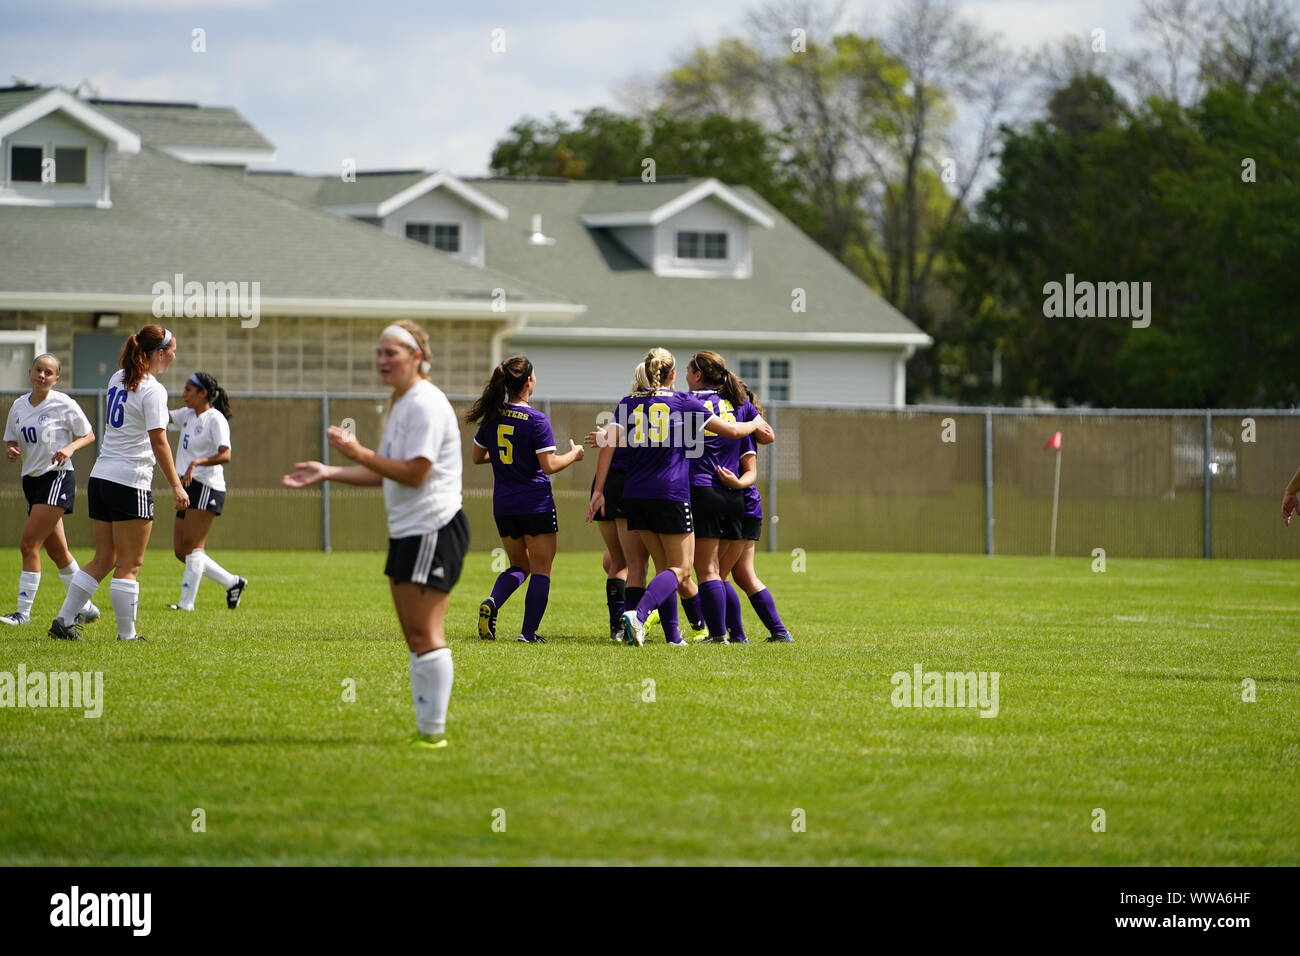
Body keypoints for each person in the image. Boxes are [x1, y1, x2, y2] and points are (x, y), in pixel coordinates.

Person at [282, 321, 467, 750]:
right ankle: (425, 729)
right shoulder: (400, 403)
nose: (383, 361)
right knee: (414, 635)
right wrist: (329, 471)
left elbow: (416, 474)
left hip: (433, 529)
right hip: (409, 531)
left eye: (392, 353)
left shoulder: (424, 403)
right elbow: (386, 471)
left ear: (417, 357)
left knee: (425, 634)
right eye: (379, 353)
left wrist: (357, 451)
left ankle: (433, 734)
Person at [587, 347, 772, 647]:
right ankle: (639, 615)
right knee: (682, 569)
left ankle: (673, 636)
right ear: (673, 374)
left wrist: (598, 491)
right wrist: (753, 423)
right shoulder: (684, 402)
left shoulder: (627, 404)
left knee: (662, 568)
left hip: (634, 494)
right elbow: (730, 430)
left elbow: (607, 442)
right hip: (670, 492)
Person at [49, 325, 189, 642]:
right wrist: (177, 485)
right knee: (130, 564)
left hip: (101, 477)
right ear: (159, 353)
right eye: (172, 351)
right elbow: (160, 442)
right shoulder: (153, 389)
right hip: (130, 481)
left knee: (105, 558)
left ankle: (63, 620)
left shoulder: (118, 377)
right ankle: (127, 635)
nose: (174, 356)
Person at [468, 356, 583, 644]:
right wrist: (575, 454)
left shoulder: (494, 415)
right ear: (529, 381)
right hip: (535, 502)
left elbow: (477, 457)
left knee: (520, 565)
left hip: (504, 505)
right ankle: (528, 634)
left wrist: (509, 459)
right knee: (542, 569)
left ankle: (493, 602)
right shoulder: (536, 419)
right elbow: (549, 465)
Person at [2, 353, 99, 627]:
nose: (42, 376)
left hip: (56, 477)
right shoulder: (19, 406)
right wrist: (11, 449)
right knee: (58, 553)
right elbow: (12, 438)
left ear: (56, 378)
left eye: (48, 372)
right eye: (38, 370)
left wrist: (69, 448)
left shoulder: (63, 403)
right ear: (30, 372)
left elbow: (88, 434)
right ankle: (87, 607)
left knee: (28, 543)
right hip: (31, 481)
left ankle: (23, 613)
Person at [682, 350, 766, 644]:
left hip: (702, 489)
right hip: (735, 495)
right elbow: (767, 434)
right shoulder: (740, 404)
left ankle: (717, 635)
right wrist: (754, 421)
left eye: (688, 371)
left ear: (698, 375)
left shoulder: (687, 401)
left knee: (706, 570)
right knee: (721, 572)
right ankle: (738, 634)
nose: (684, 376)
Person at [168, 372, 246, 612]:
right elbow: (160, 417)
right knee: (182, 551)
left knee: (194, 547)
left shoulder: (215, 418)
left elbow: (226, 454)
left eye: (189, 390)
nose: (184, 395)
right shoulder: (188, 415)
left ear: (203, 393)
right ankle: (233, 582)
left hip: (206, 486)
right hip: (188, 485)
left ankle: (185, 604)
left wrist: (197, 462)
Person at [728, 385, 794, 643]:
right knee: (743, 574)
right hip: (746, 505)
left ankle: (737, 635)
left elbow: (750, 469)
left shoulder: (742, 427)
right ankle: (778, 632)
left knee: (719, 573)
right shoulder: (737, 423)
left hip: (743, 504)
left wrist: (735, 483)